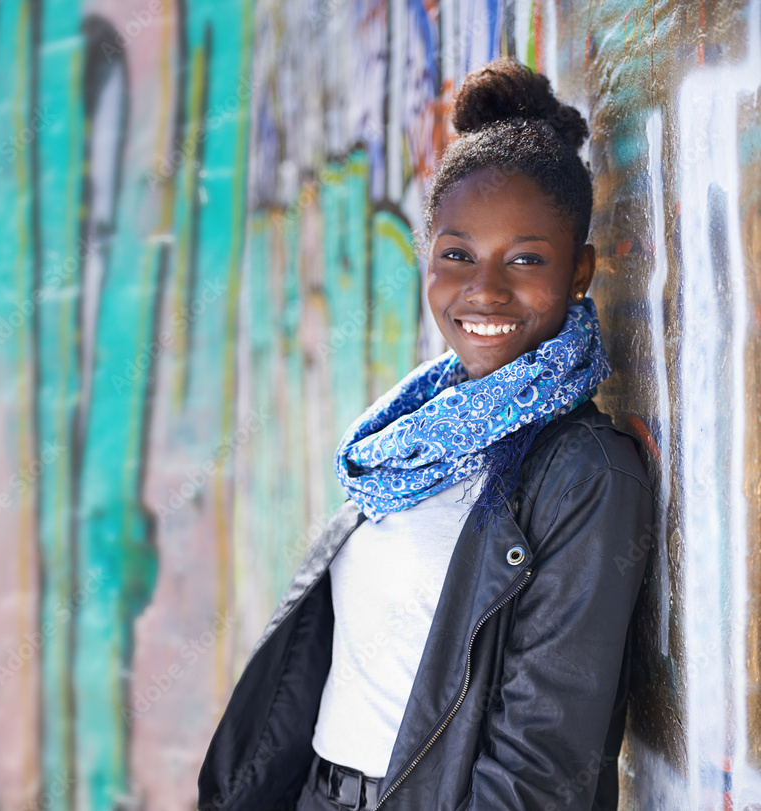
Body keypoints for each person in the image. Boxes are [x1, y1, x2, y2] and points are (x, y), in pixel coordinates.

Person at [197, 58, 653, 811]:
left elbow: (540, 766)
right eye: (458, 254)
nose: (485, 288)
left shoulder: (587, 474)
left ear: (580, 274)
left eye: (527, 259)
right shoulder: (404, 440)